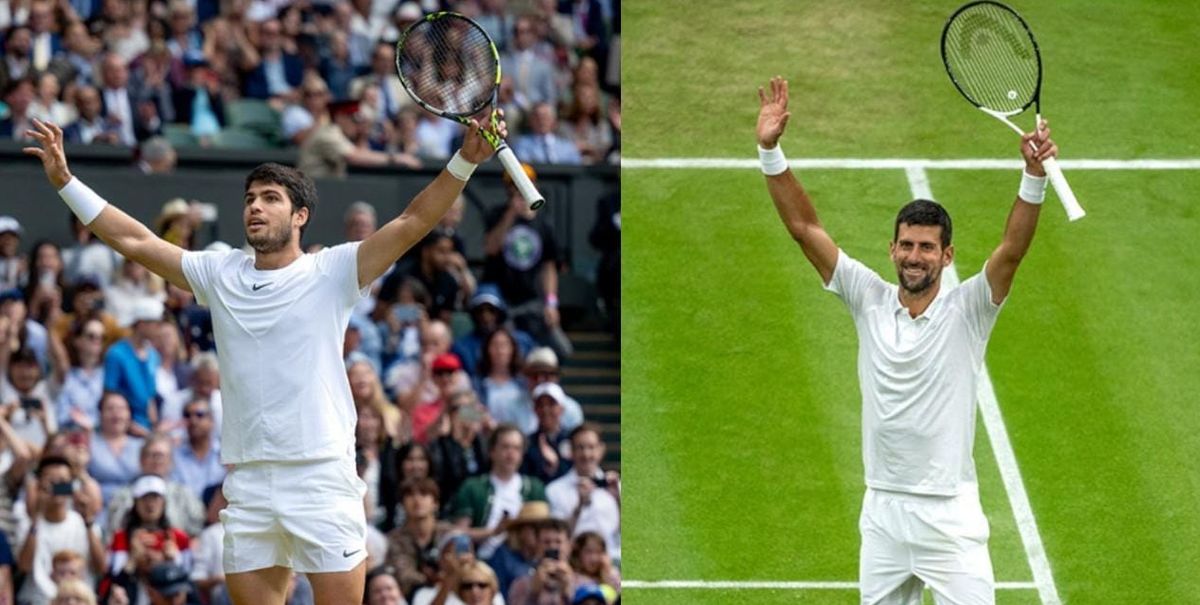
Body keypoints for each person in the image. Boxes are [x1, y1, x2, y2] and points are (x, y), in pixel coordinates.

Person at [24, 108, 507, 604]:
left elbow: (412, 221)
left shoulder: (334, 270)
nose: (255, 206)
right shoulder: (219, 273)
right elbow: (136, 240)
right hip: (249, 482)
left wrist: (466, 161)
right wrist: (66, 182)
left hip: (322, 478)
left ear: (300, 216)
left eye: (271, 199)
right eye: (250, 198)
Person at [756, 76, 1055, 604]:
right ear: (891, 249)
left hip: (949, 515)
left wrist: (1033, 177)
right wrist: (770, 151)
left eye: (927, 248)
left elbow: (1011, 250)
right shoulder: (866, 296)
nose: (915, 256)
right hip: (884, 514)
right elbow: (805, 228)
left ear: (947, 256)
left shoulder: (969, 310)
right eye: (907, 245)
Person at [482, 166, 571, 359]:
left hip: (532, 299)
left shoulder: (544, 224)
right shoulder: (497, 215)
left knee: (562, 349)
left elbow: (549, 267)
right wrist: (511, 214)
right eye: (514, 186)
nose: (520, 190)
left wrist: (551, 303)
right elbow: (491, 248)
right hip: (501, 298)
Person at [16, 456, 106, 605]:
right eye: (51, 482)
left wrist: (88, 521)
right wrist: (36, 517)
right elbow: (24, 566)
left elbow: (101, 568)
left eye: (63, 482)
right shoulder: (28, 524)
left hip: (78, 600)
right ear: (39, 485)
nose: (57, 487)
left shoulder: (82, 522)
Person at [451, 424, 546, 560]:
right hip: (482, 559)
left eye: (516, 448)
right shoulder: (473, 487)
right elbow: (459, 533)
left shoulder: (534, 487)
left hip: (523, 561)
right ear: (492, 451)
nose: (511, 453)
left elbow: (543, 532)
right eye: (505, 447)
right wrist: (493, 532)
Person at [545, 425, 619, 562]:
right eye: (580, 448)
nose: (586, 454)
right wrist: (579, 507)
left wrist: (619, 501)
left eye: (591, 447)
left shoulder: (617, 487)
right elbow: (556, 538)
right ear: (570, 451)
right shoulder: (554, 491)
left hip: (609, 563)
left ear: (601, 450)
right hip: (573, 563)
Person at [383, 478, 453, 601]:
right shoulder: (393, 539)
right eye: (410, 495)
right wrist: (435, 578)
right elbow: (403, 576)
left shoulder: (449, 534)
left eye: (424, 494)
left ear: (436, 503)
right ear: (402, 503)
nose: (417, 500)